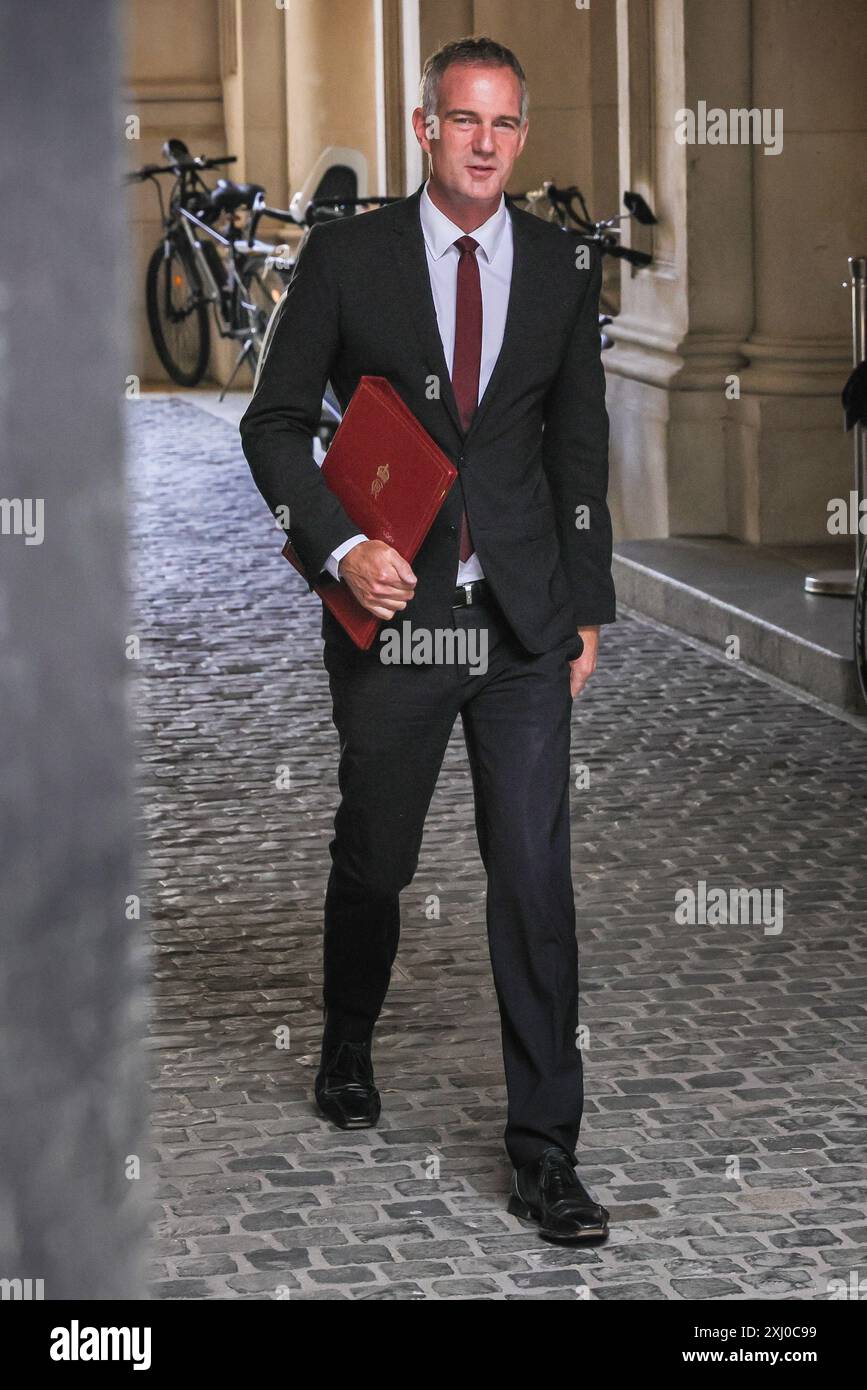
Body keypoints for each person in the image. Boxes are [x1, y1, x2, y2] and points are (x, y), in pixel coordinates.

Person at [240, 36, 614, 1244]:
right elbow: (275, 424)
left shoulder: (560, 266)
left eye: (506, 124)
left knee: (533, 877)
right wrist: (342, 546)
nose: (487, 143)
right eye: (465, 121)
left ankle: (547, 1152)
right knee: (378, 857)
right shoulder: (352, 259)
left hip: (518, 627)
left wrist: (589, 603)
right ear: (424, 127)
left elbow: (576, 451)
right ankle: (348, 1036)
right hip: (399, 621)